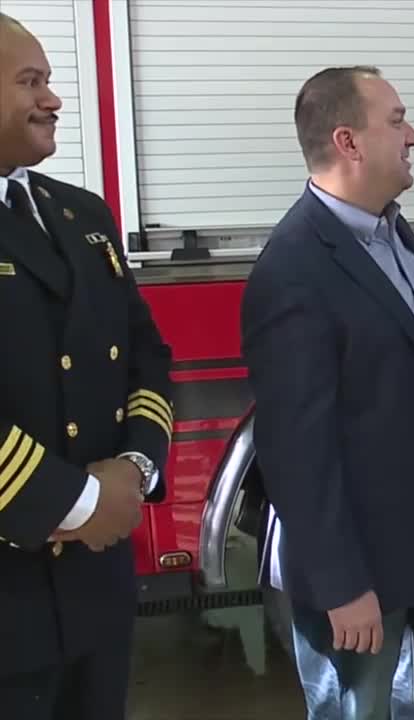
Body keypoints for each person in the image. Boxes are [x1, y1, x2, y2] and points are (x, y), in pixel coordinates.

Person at [240, 65, 414, 720]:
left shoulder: (391, 230)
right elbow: (296, 448)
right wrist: (340, 584)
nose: (412, 135)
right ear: (348, 141)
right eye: (395, 120)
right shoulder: (294, 266)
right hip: (361, 575)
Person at [0, 13, 173, 720]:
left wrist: (133, 469)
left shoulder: (83, 215)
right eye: (29, 81)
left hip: (97, 601)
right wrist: (80, 503)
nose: (54, 99)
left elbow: (146, 356)